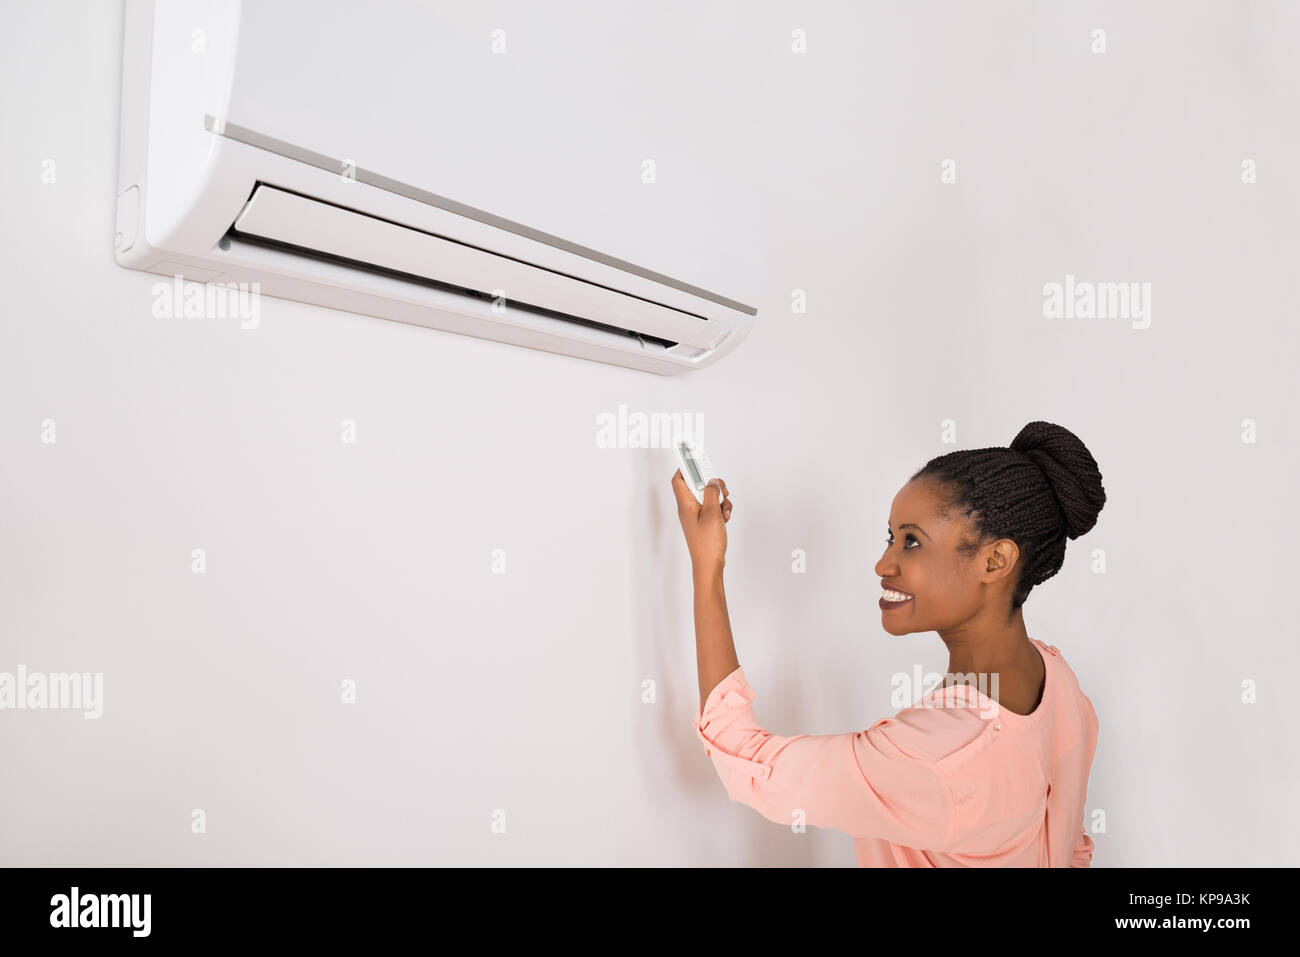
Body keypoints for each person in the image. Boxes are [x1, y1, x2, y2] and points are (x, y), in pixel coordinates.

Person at [672, 420, 1103, 866]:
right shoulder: (1061, 684)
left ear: (995, 560)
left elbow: (744, 758)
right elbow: (1072, 849)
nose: (883, 564)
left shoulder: (932, 758)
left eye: (912, 542)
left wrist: (707, 565)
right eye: (891, 538)